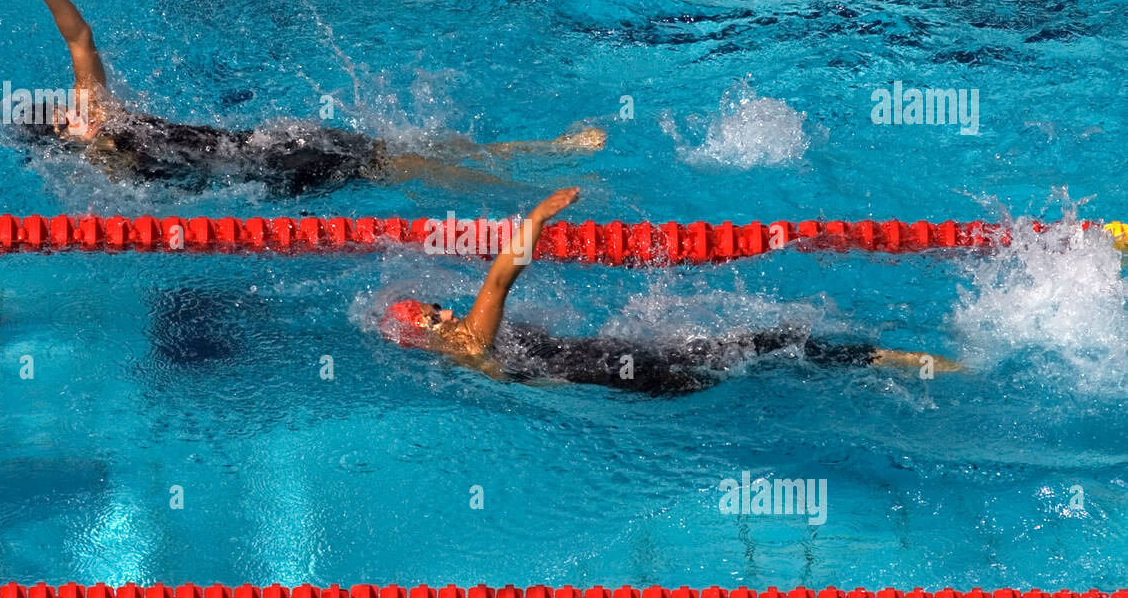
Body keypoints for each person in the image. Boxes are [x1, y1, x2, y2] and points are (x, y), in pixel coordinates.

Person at [3, 0, 605, 195]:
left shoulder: (102, 125)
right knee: (397, 164)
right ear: (62, 137)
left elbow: (80, 41)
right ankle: (528, 193)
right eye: (64, 115)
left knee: (401, 150)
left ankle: (544, 153)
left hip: (272, 145)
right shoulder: (107, 163)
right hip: (273, 167)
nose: (74, 108)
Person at [380, 187, 960, 394]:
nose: (446, 308)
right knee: (775, 345)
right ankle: (902, 362)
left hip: (635, 370)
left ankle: (887, 362)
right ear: (428, 332)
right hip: (646, 371)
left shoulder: (478, 355)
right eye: (434, 311)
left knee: (768, 351)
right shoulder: (473, 342)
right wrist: (540, 213)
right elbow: (503, 274)